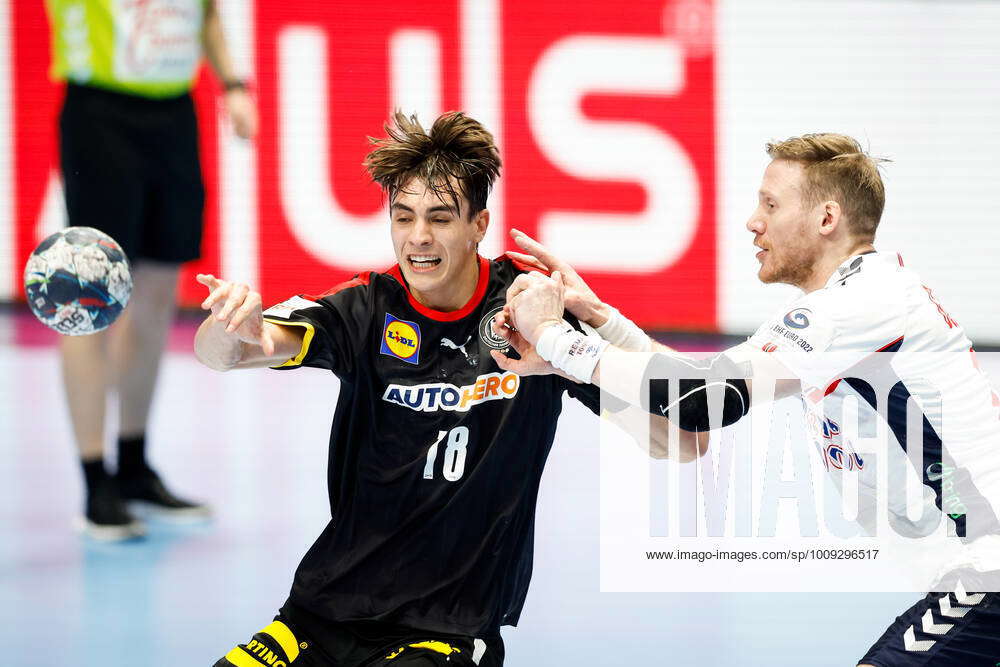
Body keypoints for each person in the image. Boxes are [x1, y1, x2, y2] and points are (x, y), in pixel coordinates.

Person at [194, 111, 699, 667]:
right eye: (403, 217)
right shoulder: (367, 307)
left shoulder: (532, 317)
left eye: (439, 217)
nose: (419, 237)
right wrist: (230, 326)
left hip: (445, 631)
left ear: (479, 224)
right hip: (322, 615)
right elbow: (233, 352)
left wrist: (594, 329)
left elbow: (684, 439)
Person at [495, 134, 1000, 666]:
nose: (752, 222)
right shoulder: (852, 302)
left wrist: (554, 336)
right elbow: (697, 388)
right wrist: (601, 319)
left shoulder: (855, 306)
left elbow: (702, 401)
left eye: (771, 205)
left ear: (827, 218)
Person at [46, 0, 258, 539]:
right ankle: (95, 481)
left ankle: (134, 466)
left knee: (158, 296)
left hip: (174, 116)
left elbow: (207, 12)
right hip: (101, 113)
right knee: (91, 300)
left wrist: (233, 84)